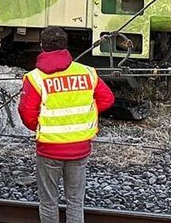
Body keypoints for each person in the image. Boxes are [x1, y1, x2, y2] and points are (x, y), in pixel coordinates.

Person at [17, 26, 115, 223]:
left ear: (42, 46)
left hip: (49, 148)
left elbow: (26, 113)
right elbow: (107, 99)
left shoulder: (35, 78)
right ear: (65, 45)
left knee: (48, 202)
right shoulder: (87, 73)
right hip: (80, 147)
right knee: (75, 202)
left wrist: (43, 126)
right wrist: (83, 118)